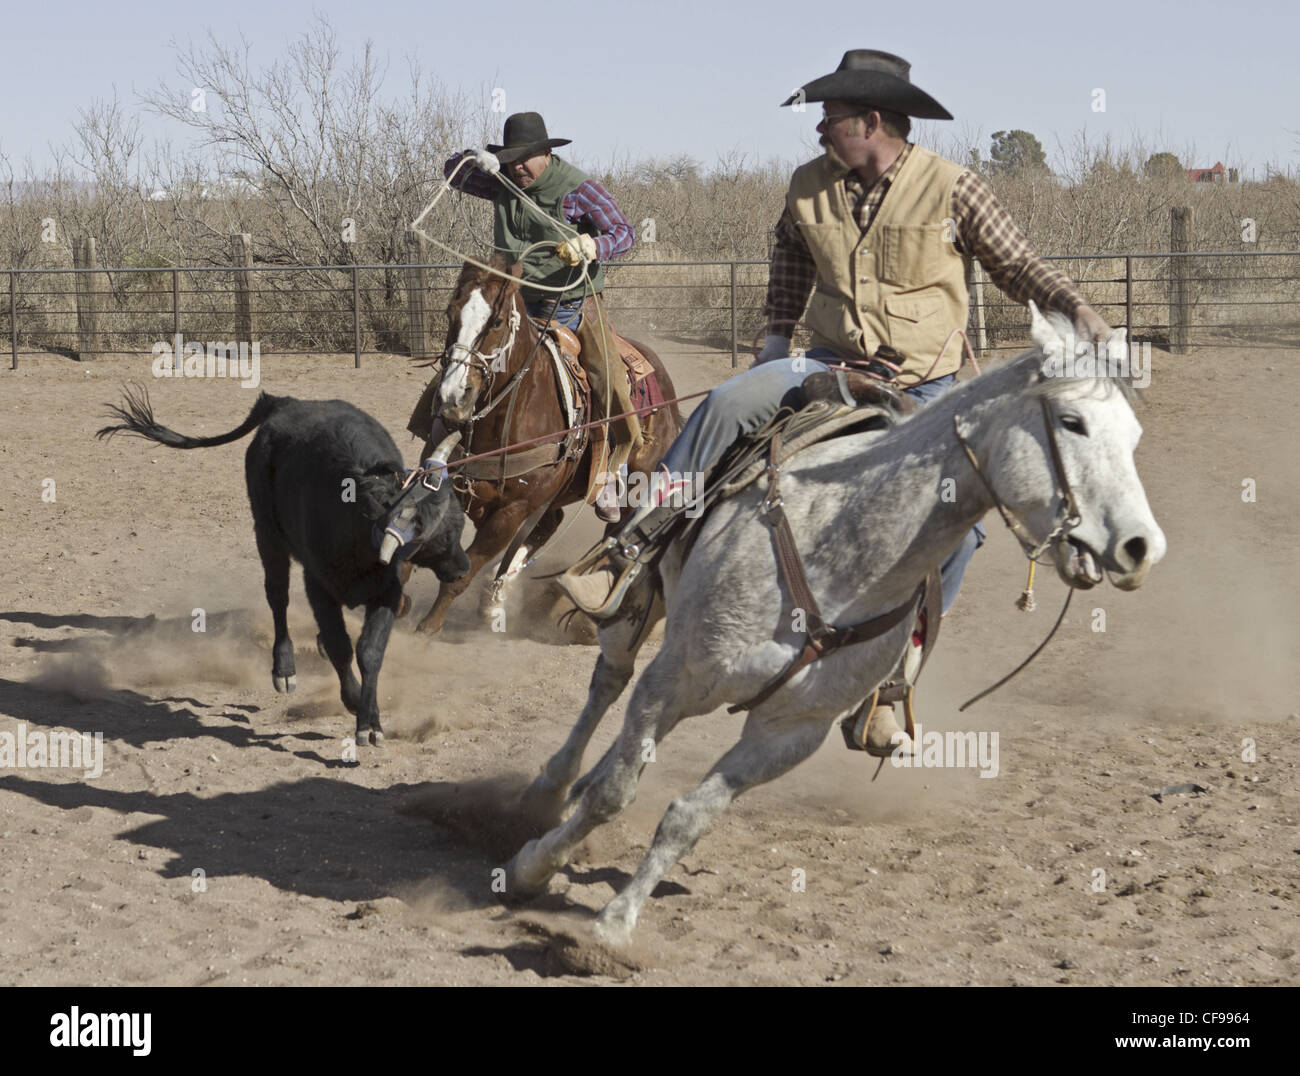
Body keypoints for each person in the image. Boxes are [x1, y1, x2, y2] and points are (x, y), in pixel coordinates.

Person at [560, 50, 1113, 751]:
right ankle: (631, 558)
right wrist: (771, 342)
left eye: (832, 121)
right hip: (825, 360)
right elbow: (789, 264)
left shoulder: (954, 189)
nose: (821, 132)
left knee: (962, 525)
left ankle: (889, 683)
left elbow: (1018, 265)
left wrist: (1077, 312)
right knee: (728, 404)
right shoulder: (807, 187)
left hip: (925, 382)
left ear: (872, 121)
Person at [409, 111, 640, 520]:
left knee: (607, 376)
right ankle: (437, 451)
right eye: (510, 159)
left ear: (546, 153)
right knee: (464, 358)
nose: (518, 166)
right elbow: (453, 171)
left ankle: (609, 472)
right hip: (512, 300)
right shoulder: (502, 180)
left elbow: (624, 233)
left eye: (525, 158)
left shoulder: (579, 189)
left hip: (569, 300)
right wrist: (475, 158)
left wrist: (590, 246)